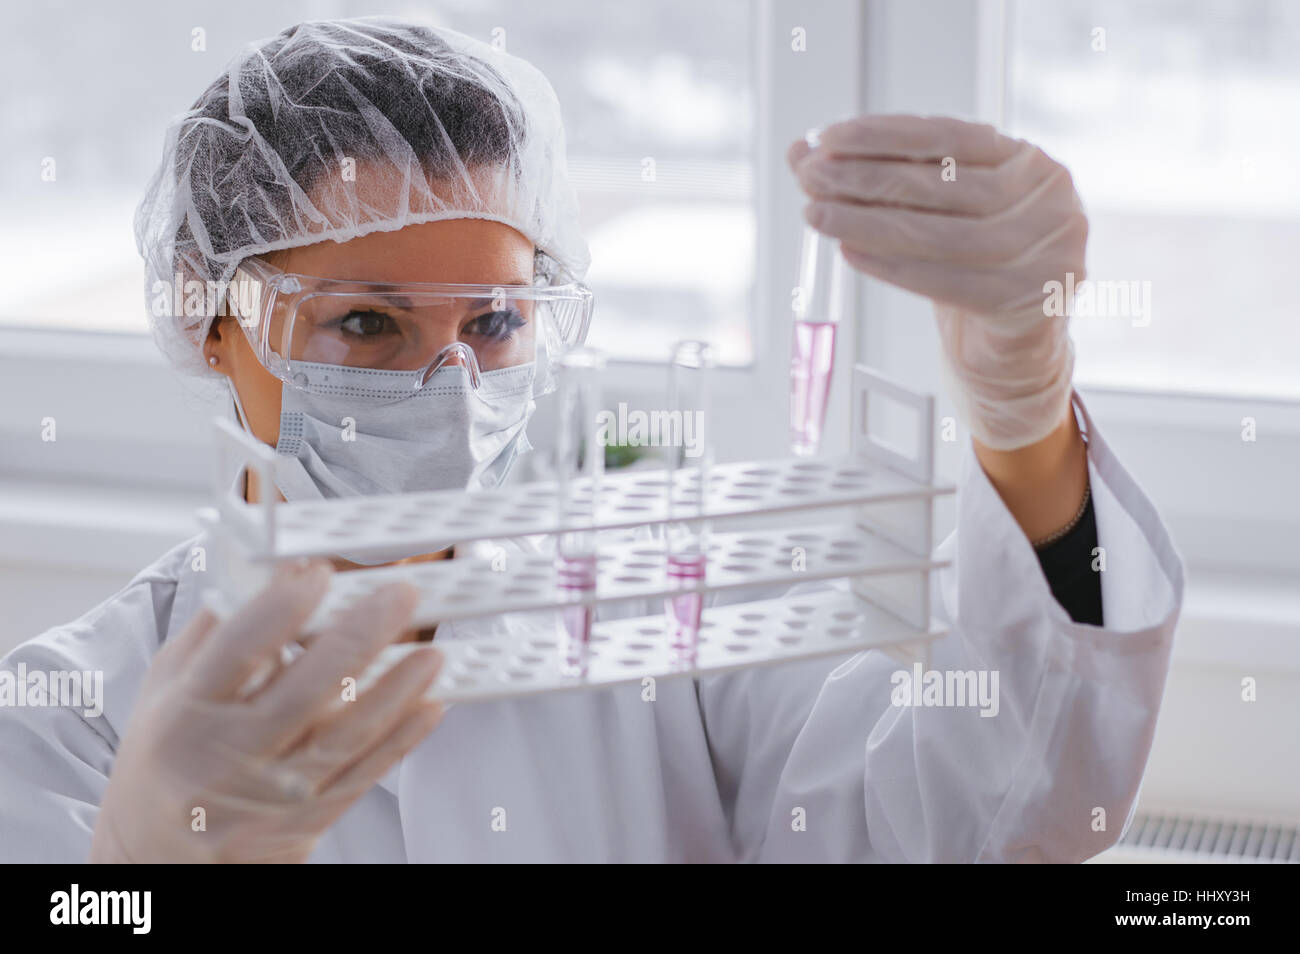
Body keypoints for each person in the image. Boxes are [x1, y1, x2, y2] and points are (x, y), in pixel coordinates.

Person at [0, 17, 1183, 863]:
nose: (450, 387)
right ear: (210, 321)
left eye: (497, 323)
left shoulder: (674, 616)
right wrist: (132, 871)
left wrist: (1023, 419)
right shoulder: (71, 710)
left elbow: (992, 818)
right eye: (364, 322)